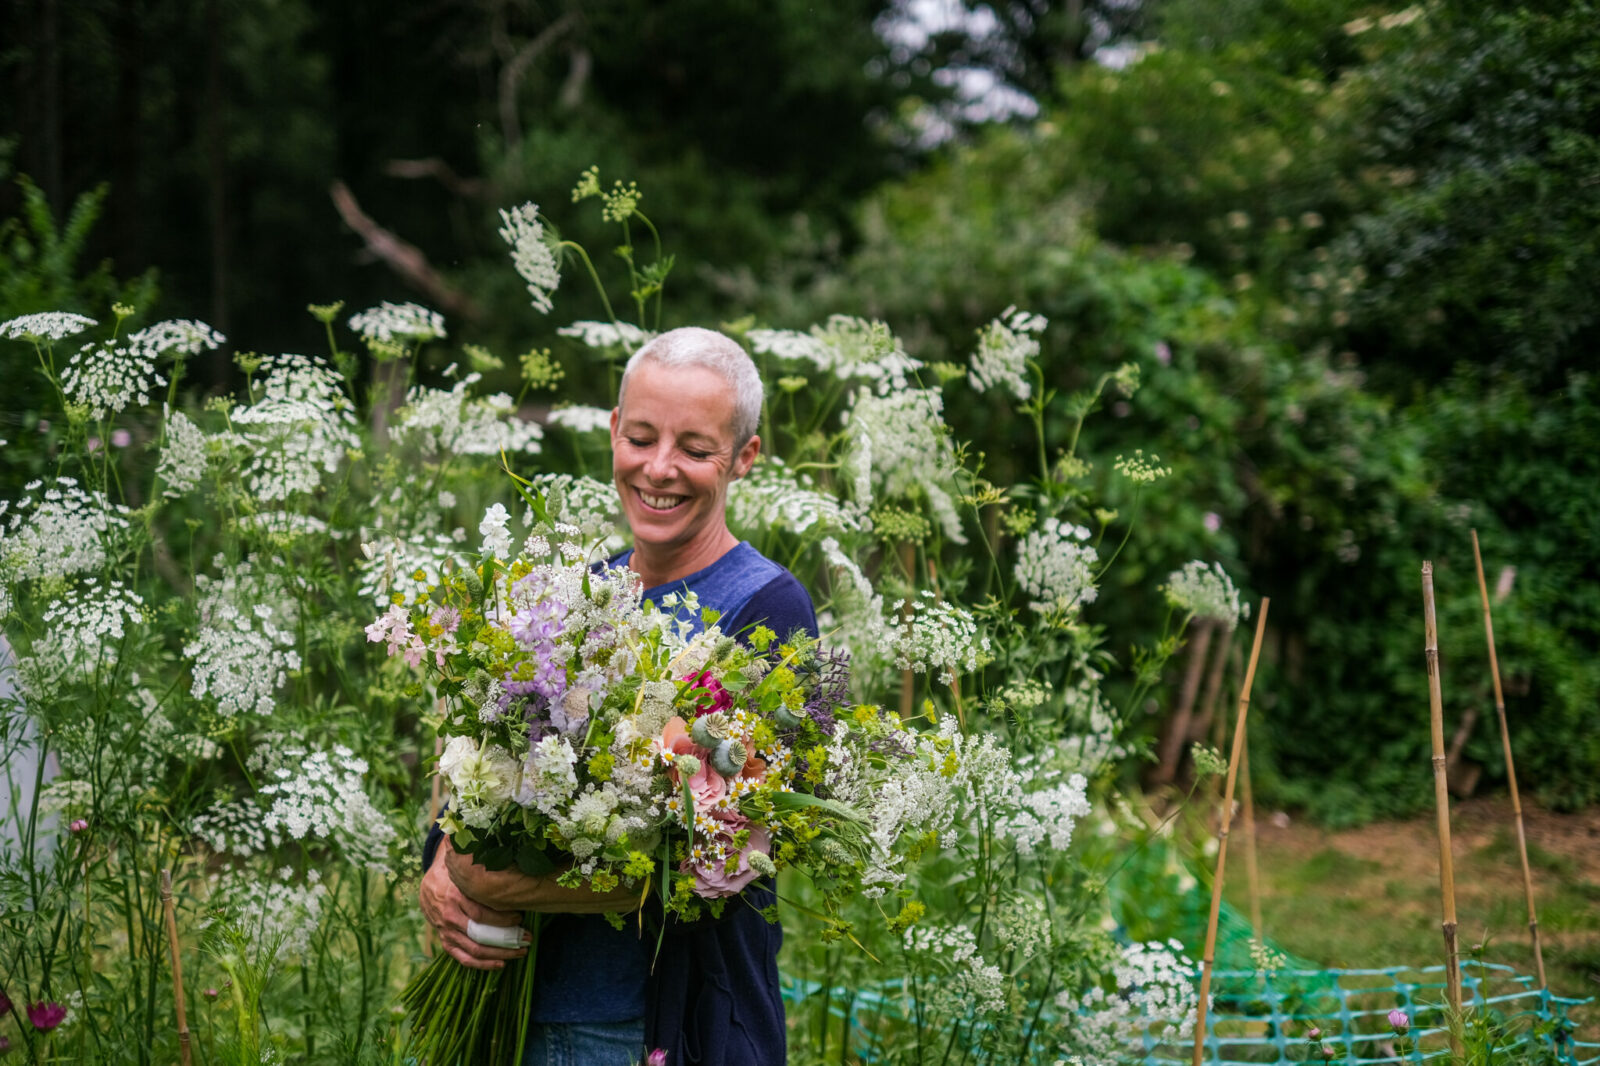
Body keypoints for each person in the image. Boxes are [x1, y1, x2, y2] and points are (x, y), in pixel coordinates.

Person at [419, 326, 814, 1066]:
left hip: (641, 1026)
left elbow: (722, 860)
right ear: (612, 432)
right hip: (512, 1006)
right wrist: (440, 868)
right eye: (641, 437)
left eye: (695, 449)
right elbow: (476, 752)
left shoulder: (767, 611)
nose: (659, 469)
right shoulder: (574, 592)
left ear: (744, 458)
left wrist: (487, 880)